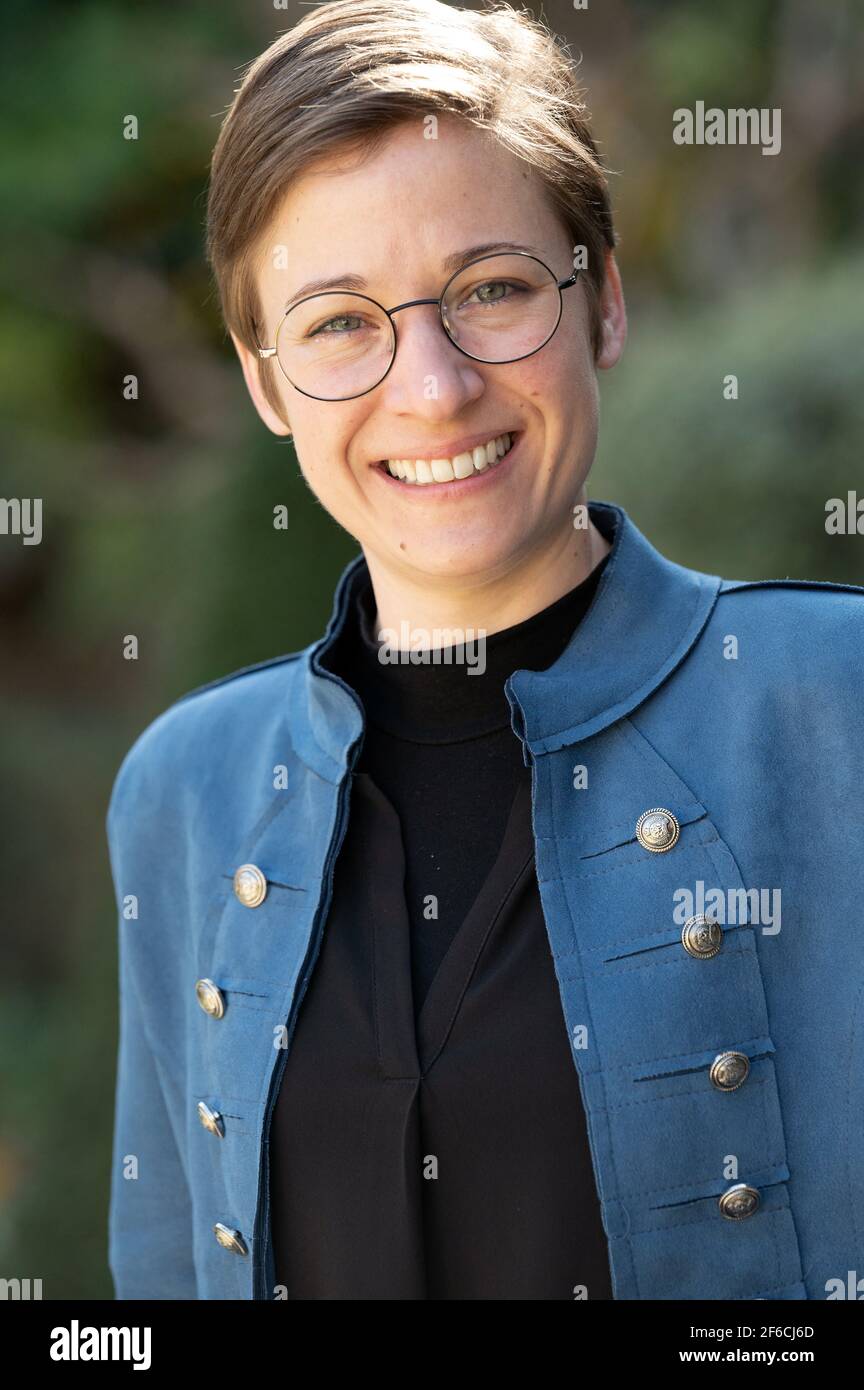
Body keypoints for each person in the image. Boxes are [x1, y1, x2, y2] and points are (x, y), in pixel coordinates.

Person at [107, 0, 864, 1301]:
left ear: (604, 303)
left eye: (493, 289)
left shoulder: (832, 703)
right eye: (341, 321)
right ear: (265, 381)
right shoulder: (188, 790)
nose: (435, 386)